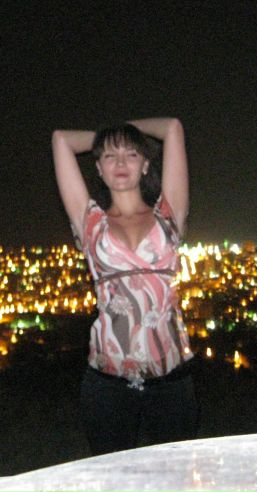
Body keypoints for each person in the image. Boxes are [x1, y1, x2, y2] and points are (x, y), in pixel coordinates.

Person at [52, 118, 198, 455]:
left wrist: (118, 134)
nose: (120, 163)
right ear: (98, 168)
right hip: (108, 382)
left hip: (171, 379)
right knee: (113, 478)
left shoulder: (169, 215)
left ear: (146, 164)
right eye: (109, 156)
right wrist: (111, 137)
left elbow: (173, 128)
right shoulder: (90, 222)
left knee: (176, 475)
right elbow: (61, 139)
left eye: (131, 154)